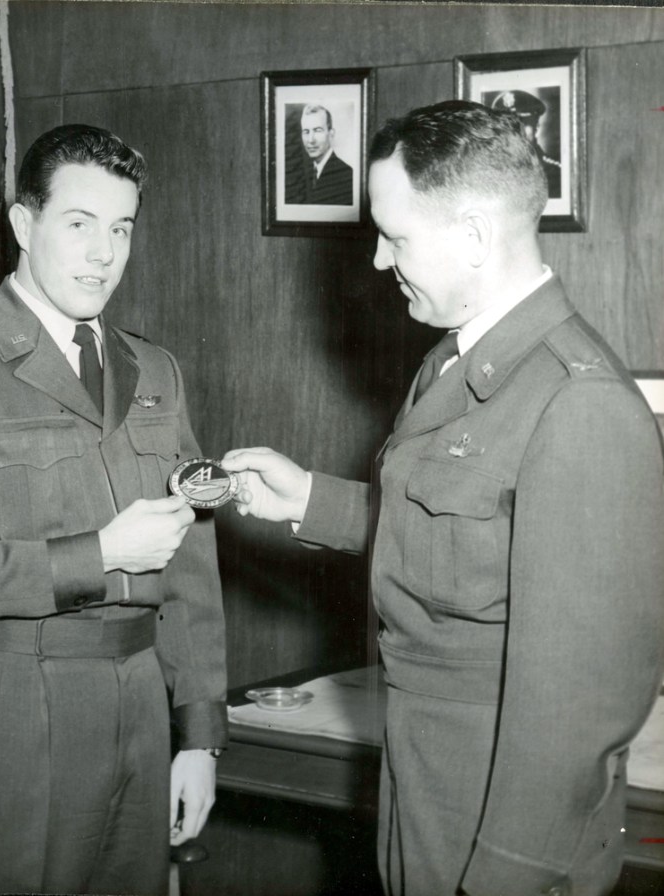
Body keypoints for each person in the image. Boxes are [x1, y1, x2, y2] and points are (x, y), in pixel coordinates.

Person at [224, 101, 664, 895]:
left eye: (395, 237)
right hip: (427, 781)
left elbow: (584, 702)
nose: (376, 261)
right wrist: (311, 500)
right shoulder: (455, 362)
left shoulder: (579, 403)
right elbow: (464, 535)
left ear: (473, 237)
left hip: (502, 821)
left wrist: (508, 873)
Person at [0, 123, 227, 896]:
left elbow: (191, 565)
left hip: (142, 704)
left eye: (121, 229)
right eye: (79, 224)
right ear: (24, 225)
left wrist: (199, 735)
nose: (104, 254)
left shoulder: (155, 369)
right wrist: (98, 555)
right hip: (13, 706)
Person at [491, 89, 562, 198]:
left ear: (536, 127)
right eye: (508, 125)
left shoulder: (555, 173)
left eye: (523, 123)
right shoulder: (490, 171)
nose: (515, 130)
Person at [285, 103, 354, 205]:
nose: (311, 140)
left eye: (317, 130)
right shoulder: (301, 175)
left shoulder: (348, 176)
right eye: (306, 132)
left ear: (331, 134)